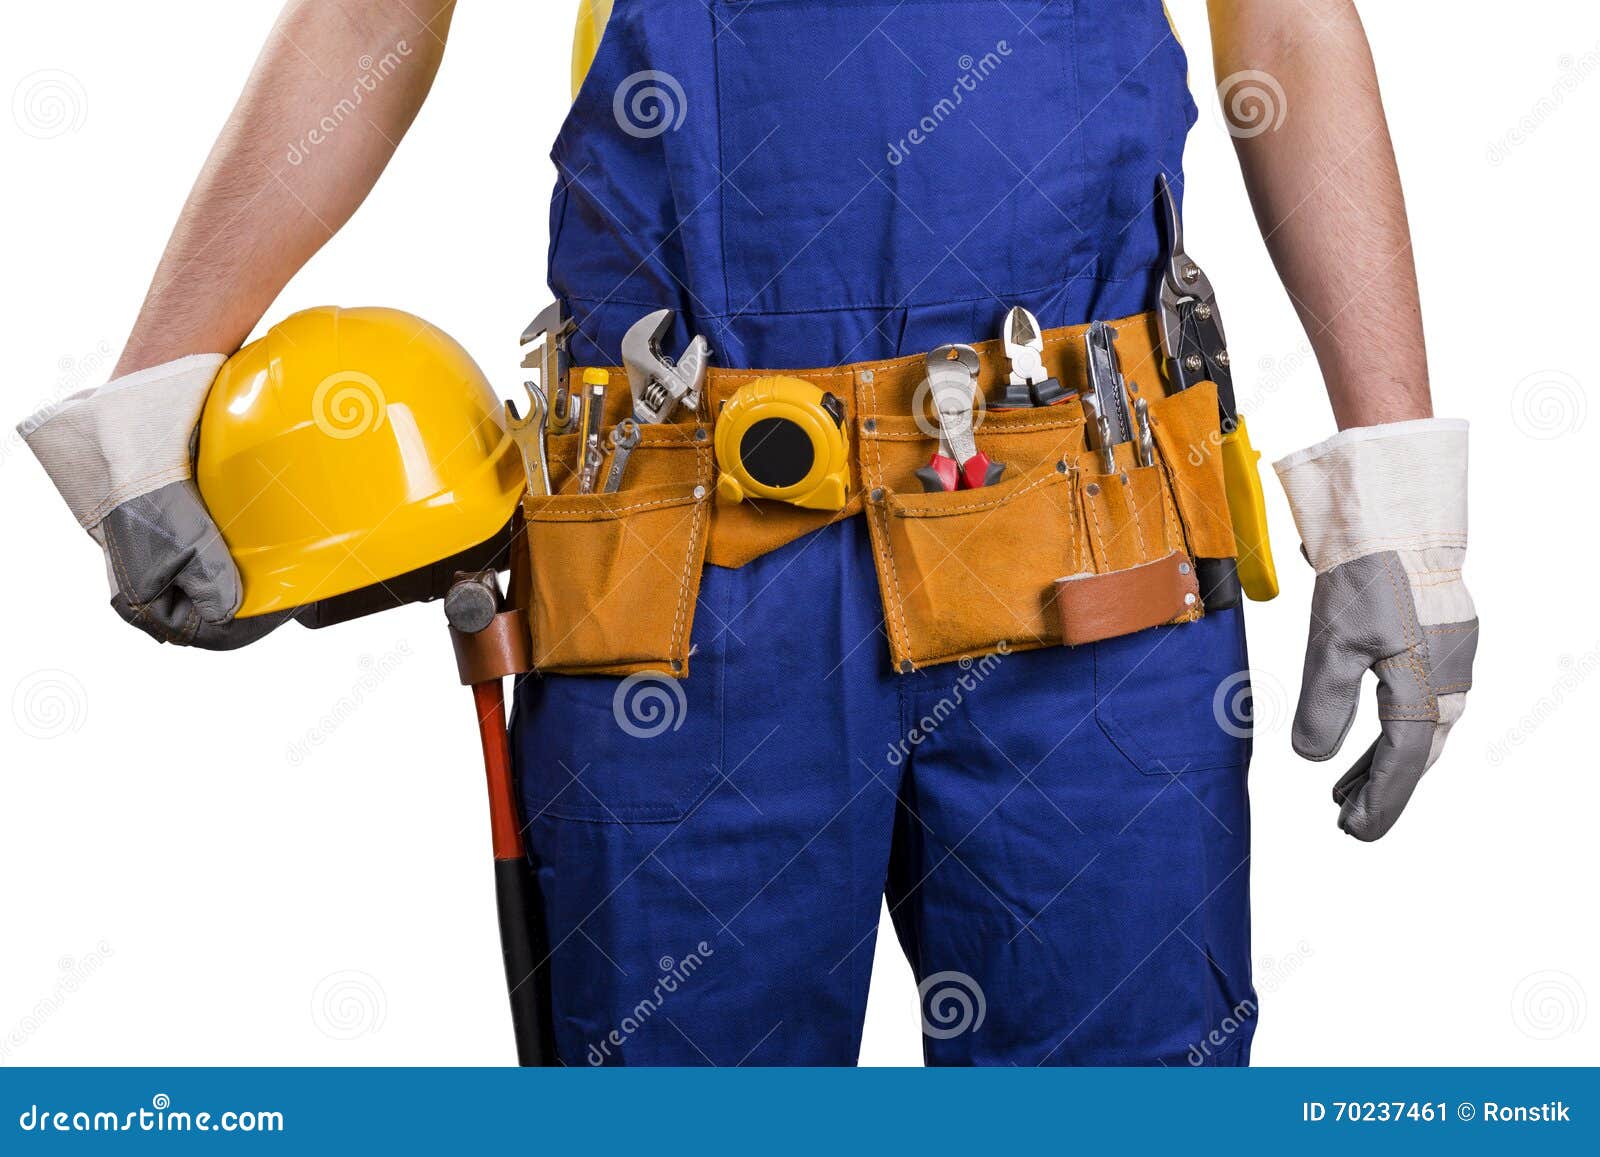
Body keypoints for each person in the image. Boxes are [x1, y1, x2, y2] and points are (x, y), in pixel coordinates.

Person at [20, 0, 1475, 1065]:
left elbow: (1285, 28)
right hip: (681, 579)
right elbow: (368, 21)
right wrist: (157, 389)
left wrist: (1395, 506)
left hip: (1088, 540)